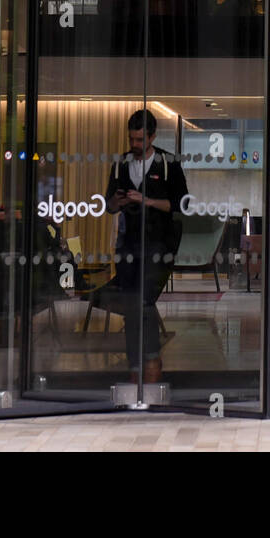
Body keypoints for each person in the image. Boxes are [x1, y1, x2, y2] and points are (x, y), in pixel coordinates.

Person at [105, 109, 188, 384]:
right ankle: (137, 362)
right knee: (132, 304)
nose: (135, 145)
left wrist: (147, 201)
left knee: (144, 300)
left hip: (158, 243)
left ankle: (150, 359)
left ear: (153, 136)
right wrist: (120, 201)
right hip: (128, 244)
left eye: (140, 139)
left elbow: (181, 205)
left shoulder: (168, 164)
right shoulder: (121, 163)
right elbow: (108, 206)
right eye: (132, 139)